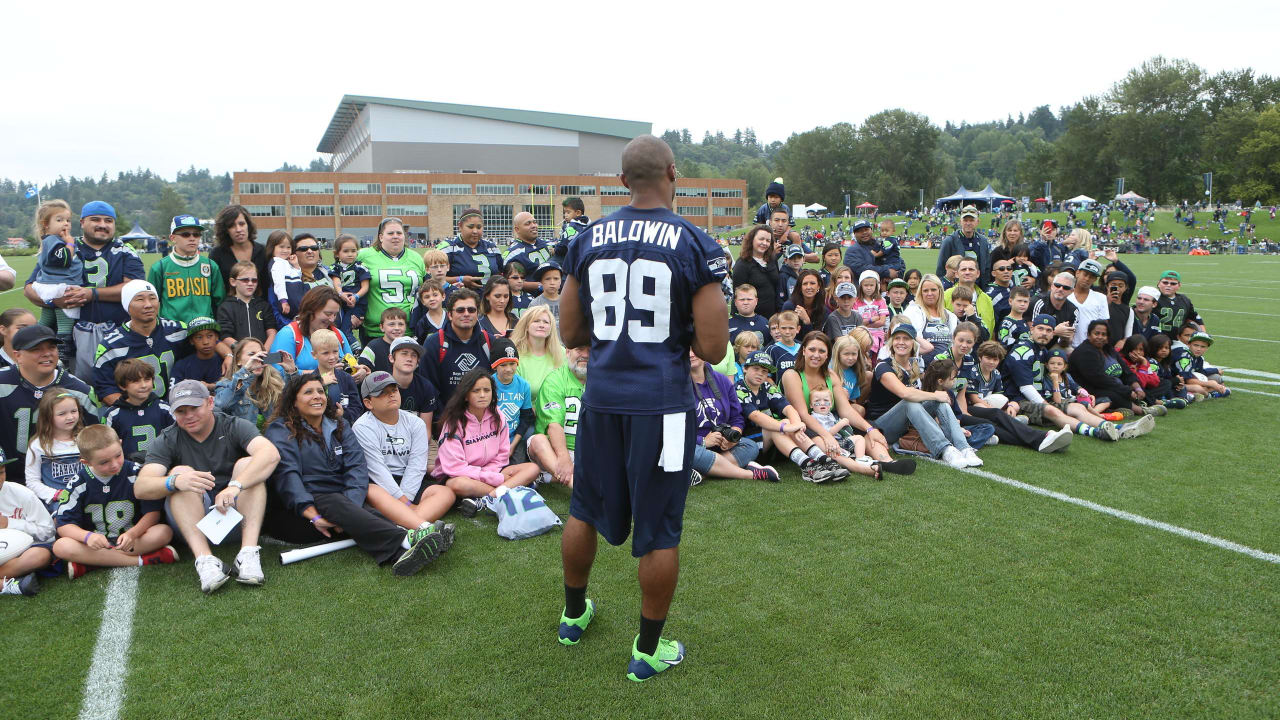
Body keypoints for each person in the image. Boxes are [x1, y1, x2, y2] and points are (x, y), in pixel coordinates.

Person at [556, 135, 729, 681]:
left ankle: (573, 613)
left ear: (621, 179)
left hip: (603, 398)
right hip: (661, 404)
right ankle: (648, 648)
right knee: (658, 529)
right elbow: (715, 347)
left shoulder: (587, 238)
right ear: (673, 173)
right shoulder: (694, 242)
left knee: (584, 507)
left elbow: (569, 330)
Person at [266, 374, 453, 575]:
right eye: (308, 392)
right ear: (293, 401)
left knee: (371, 514)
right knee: (340, 503)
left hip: (339, 509)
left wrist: (351, 509)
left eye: (321, 391)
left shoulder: (340, 425)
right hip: (303, 515)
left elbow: (357, 468)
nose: (317, 396)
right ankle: (409, 539)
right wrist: (312, 514)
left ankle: (402, 554)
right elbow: (288, 476)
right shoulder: (281, 429)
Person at [136, 380, 280, 594]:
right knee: (179, 474)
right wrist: (174, 482)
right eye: (181, 411)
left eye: (194, 408)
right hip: (194, 523)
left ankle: (247, 553)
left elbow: (270, 454)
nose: (189, 416)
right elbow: (141, 487)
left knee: (248, 465)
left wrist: (235, 486)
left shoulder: (233, 425)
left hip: (236, 516)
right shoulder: (168, 438)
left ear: (210, 402)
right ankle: (205, 560)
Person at [52, 425, 177, 579]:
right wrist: (87, 537)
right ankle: (141, 561)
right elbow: (64, 525)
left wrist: (133, 533)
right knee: (61, 546)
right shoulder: (78, 483)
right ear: (86, 462)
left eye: (118, 455)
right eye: (104, 462)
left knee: (164, 532)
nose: (114, 464)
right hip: (96, 544)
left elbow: (152, 513)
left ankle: (92, 563)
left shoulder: (136, 473)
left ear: (120, 443)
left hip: (132, 540)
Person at [862, 323, 979, 469]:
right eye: (897, 338)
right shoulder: (883, 366)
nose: (901, 342)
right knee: (912, 402)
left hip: (906, 425)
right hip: (883, 426)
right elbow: (904, 393)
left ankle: (964, 448)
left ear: (913, 344)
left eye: (906, 338)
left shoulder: (915, 365)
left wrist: (948, 419)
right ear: (891, 343)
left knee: (940, 402)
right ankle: (945, 449)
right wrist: (934, 395)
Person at [352, 372, 457, 529]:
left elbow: (417, 464)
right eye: (383, 393)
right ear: (368, 403)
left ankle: (405, 526)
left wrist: (405, 499)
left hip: (409, 481)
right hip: (380, 484)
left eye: (394, 390)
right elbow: (377, 470)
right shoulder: (362, 427)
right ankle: (418, 525)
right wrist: (405, 502)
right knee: (372, 491)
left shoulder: (416, 423)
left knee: (446, 493)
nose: (392, 395)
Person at [431, 368, 539, 515]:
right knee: (457, 484)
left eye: (487, 390)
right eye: (476, 391)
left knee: (532, 468)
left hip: (492, 471)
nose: (482, 395)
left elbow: (502, 454)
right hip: (462, 476)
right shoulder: (453, 423)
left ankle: (487, 500)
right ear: (466, 395)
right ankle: (508, 494)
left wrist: (491, 473)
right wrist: (493, 478)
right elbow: (455, 467)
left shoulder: (498, 416)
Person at [733, 351, 850, 483]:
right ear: (745, 368)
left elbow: (788, 408)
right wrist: (785, 427)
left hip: (772, 443)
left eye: (765, 371)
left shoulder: (766, 386)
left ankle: (824, 460)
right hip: (748, 444)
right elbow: (755, 416)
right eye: (756, 369)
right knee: (778, 427)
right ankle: (808, 466)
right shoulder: (738, 389)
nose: (760, 373)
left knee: (787, 421)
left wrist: (796, 426)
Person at [0, 326, 96, 472]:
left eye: (51, 347)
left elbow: (94, 438)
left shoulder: (80, 391)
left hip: (60, 478)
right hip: (6, 476)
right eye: (36, 349)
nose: (46, 354)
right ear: (17, 355)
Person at [687, 350, 773, 484]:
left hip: (721, 445)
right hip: (694, 445)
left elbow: (737, 417)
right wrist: (703, 441)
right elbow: (672, 429)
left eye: (695, 350)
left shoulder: (722, 380)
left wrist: (733, 436)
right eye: (687, 350)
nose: (691, 354)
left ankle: (703, 473)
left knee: (750, 446)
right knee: (686, 451)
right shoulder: (676, 385)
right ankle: (750, 474)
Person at [420, 289, 497, 408]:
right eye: (460, 310)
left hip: (483, 416)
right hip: (446, 418)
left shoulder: (489, 342)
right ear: (450, 314)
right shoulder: (434, 343)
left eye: (471, 310)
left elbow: (497, 384)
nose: (466, 314)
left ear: (477, 313)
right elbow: (428, 387)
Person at [146, 214, 225, 325]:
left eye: (196, 234)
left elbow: (221, 301)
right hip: (172, 333)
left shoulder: (211, 266)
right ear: (173, 238)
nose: (192, 238)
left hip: (204, 332)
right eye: (185, 234)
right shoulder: (159, 268)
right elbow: (150, 303)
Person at [358, 218, 426, 342]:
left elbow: (428, 288)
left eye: (399, 233)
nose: (395, 236)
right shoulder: (364, 255)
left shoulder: (416, 258)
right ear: (381, 237)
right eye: (390, 233)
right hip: (375, 332)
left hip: (411, 330)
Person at [528, 345, 587, 487]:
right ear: (567, 352)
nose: (585, 355)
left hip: (586, 451)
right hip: (554, 451)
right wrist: (564, 456)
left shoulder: (600, 380)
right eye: (579, 349)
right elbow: (554, 425)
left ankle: (547, 477)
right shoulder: (555, 380)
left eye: (590, 350)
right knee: (538, 440)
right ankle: (579, 488)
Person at [29, 200, 83, 355]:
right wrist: (70, 244)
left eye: (67, 220)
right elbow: (64, 260)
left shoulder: (52, 240)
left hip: (51, 286)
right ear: (45, 224)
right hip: (59, 287)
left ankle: (34, 345)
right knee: (65, 321)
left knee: (46, 321)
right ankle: (63, 352)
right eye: (59, 220)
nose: (65, 224)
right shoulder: (54, 241)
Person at [270, 287, 362, 376]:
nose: (332, 319)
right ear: (310, 310)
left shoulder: (338, 334)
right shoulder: (286, 335)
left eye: (335, 314)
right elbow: (273, 372)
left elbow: (352, 365)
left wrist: (360, 372)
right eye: (328, 314)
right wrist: (322, 374)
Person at [0, 449, 55, 596]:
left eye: (1, 472)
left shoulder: (21, 493)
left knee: (39, 556)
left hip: (20, 553)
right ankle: (10, 585)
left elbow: (48, 531)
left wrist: (10, 524)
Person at [24, 389, 85, 513]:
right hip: (56, 502)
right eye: (62, 414)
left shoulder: (86, 439)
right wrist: (55, 494)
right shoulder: (38, 445)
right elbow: (32, 481)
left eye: (74, 411)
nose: (70, 417)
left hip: (85, 497)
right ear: (48, 416)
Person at [103, 359, 174, 462]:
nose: (143, 385)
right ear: (123, 386)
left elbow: (178, 440)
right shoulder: (113, 415)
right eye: (136, 381)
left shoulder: (164, 409)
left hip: (161, 465)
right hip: (127, 469)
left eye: (147, 379)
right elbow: (105, 445)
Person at [216, 261, 277, 354]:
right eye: (245, 280)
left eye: (254, 280)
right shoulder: (226, 307)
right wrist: (245, 351)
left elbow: (272, 331)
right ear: (233, 282)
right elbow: (224, 336)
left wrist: (263, 351)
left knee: (281, 360)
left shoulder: (263, 305)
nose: (250, 283)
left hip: (264, 355)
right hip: (238, 357)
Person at [209, 205, 268, 300]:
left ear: (248, 225)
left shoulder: (263, 251)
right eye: (231, 226)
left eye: (241, 224)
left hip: (260, 309)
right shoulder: (217, 254)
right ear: (225, 230)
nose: (238, 230)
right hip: (228, 311)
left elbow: (268, 286)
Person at [509, 305, 564, 402]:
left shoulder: (562, 353)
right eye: (536, 321)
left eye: (546, 322)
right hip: (528, 413)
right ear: (526, 326)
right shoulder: (515, 355)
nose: (541, 325)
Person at [491, 344, 534, 463]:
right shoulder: (489, 384)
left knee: (518, 467)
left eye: (512, 364)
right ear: (495, 366)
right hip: (492, 439)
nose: (509, 369)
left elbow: (526, 418)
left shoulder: (524, 385)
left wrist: (513, 445)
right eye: (503, 365)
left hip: (514, 437)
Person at [310, 329, 363, 425]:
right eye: (326, 353)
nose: (332, 357)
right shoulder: (309, 381)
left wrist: (344, 414)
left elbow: (357, 408)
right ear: (314, 355)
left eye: (335, 351)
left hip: (344, 430)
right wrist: (319, 384)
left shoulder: (346, 378)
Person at [445, 209, 504, 291]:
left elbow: (502, 273)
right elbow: (433, 279)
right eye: (470, 227)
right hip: (460, 300)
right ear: (460, 226)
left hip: (489, 300)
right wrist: (460, 279)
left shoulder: (491, 247)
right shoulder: (448, 248)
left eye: (479, 227)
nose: (475, 231)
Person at [901, 274, 956, 362]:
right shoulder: (914, 311)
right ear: (921, 293)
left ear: (940, 291)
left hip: (946, 368)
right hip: (922, 367)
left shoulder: (950, 316)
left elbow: (954, 344)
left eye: (933, 290)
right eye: (925, 291)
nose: (929, 294)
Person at [731, 225, 781, 319]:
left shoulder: (772, 260)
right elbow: (738, 294)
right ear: (752, 240)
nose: (764, 243)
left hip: (772, 317)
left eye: (768, 241)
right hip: (750, 319)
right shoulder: (742, 264)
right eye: (761, 239)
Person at [935, 206, 990, 282]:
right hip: (956, 290)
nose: (968, 223)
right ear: (960, 221)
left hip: (978, 289)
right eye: (965, 220)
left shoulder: (983, 241)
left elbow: (987, 268)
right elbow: (941, 270)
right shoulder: (949, 241)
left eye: (971, 220)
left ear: (977, 222)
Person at [331, 234, 371, 337]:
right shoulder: (335, 267)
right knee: (336, 327)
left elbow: (365, 286)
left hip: (356, 304)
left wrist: (356, 296)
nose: (350, 254)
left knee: (346, 328)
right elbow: (336, 282)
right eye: (346, 251)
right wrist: (340, 294)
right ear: (336, 253)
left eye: (353, 251)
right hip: (342, 303)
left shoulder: (360, 266)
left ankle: (356, 349)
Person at [504, 211, 553, 292]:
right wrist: (539, 286)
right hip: (531, 301)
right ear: (517, 229)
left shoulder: (548, 245)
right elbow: (508, 281)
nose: (533, 226)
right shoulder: (513, 253)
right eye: (528, 223)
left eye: (535, 222)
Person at [1030, 272, 1080, 350]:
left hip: (1053, 345)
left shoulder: (1074, 311)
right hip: (1031, 343)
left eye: (1066, 288)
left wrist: (1065, 337)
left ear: (1071, 291)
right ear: (1052, 286)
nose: (1060, 289)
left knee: (1070, 351)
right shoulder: (1037, 302)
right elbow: (1031, 333)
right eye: (1057, 285)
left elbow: (1066, 344)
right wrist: (1055, 331)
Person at [1066, 259, 1109, 349]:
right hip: (1067, 345)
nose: (1087, 279)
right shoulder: (1066, 295)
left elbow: (1103, 325)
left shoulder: (1101, 298)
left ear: (1095, 279)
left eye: (1092, 277)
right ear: (1077, 273)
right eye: (1085, 274)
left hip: (1091, 347)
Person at [943, 257, 995, 331]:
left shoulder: (987, 299)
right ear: (957, 274)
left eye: (971, 269)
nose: (967, 272)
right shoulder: (945, 296)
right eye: (963, 269)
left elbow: (991, 328)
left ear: (978, 273)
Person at [170, 317, 223, 390]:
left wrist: (210, 386)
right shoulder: (181, 365)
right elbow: (173, 392)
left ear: (217, 337)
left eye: (210, 336)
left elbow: (234, 387)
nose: (205, 342)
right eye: (199, 337)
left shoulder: (225, 362)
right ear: (191, 341)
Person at [358, 307, 410, 374]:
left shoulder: (410, 346)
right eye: (391, 324)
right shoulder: (373, 347)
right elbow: (363, 369)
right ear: (382, 327)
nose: (397, 328)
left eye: (401, 324)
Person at [264, 230, 300, 321]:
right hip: (286, 302)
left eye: (288, 247)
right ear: (272, 248)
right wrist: (283, 301)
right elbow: (279, 282)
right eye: (281, 247)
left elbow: (298, 279)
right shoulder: (277, 263)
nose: (285, 250)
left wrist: (296, 265)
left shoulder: (285, 263)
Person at [851, 270, 888, 353]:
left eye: (871, 285)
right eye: (866, 285)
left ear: (876, 286)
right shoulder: (856, 301)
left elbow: (882, 321)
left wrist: (865, 324)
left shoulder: (881, 300)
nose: (869, 288)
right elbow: (857, 323)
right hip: (862, 336)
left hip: (878, 336)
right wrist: (872, 319)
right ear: (861, 286)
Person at [782, 269, 827, 336]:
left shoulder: (823, 309)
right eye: (805, 284)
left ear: (818, 286)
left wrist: (807, 322)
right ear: (800, 287)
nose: (808, 287)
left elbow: (817, 338)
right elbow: (786, 334)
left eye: (812, 283)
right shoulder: (789, 306)